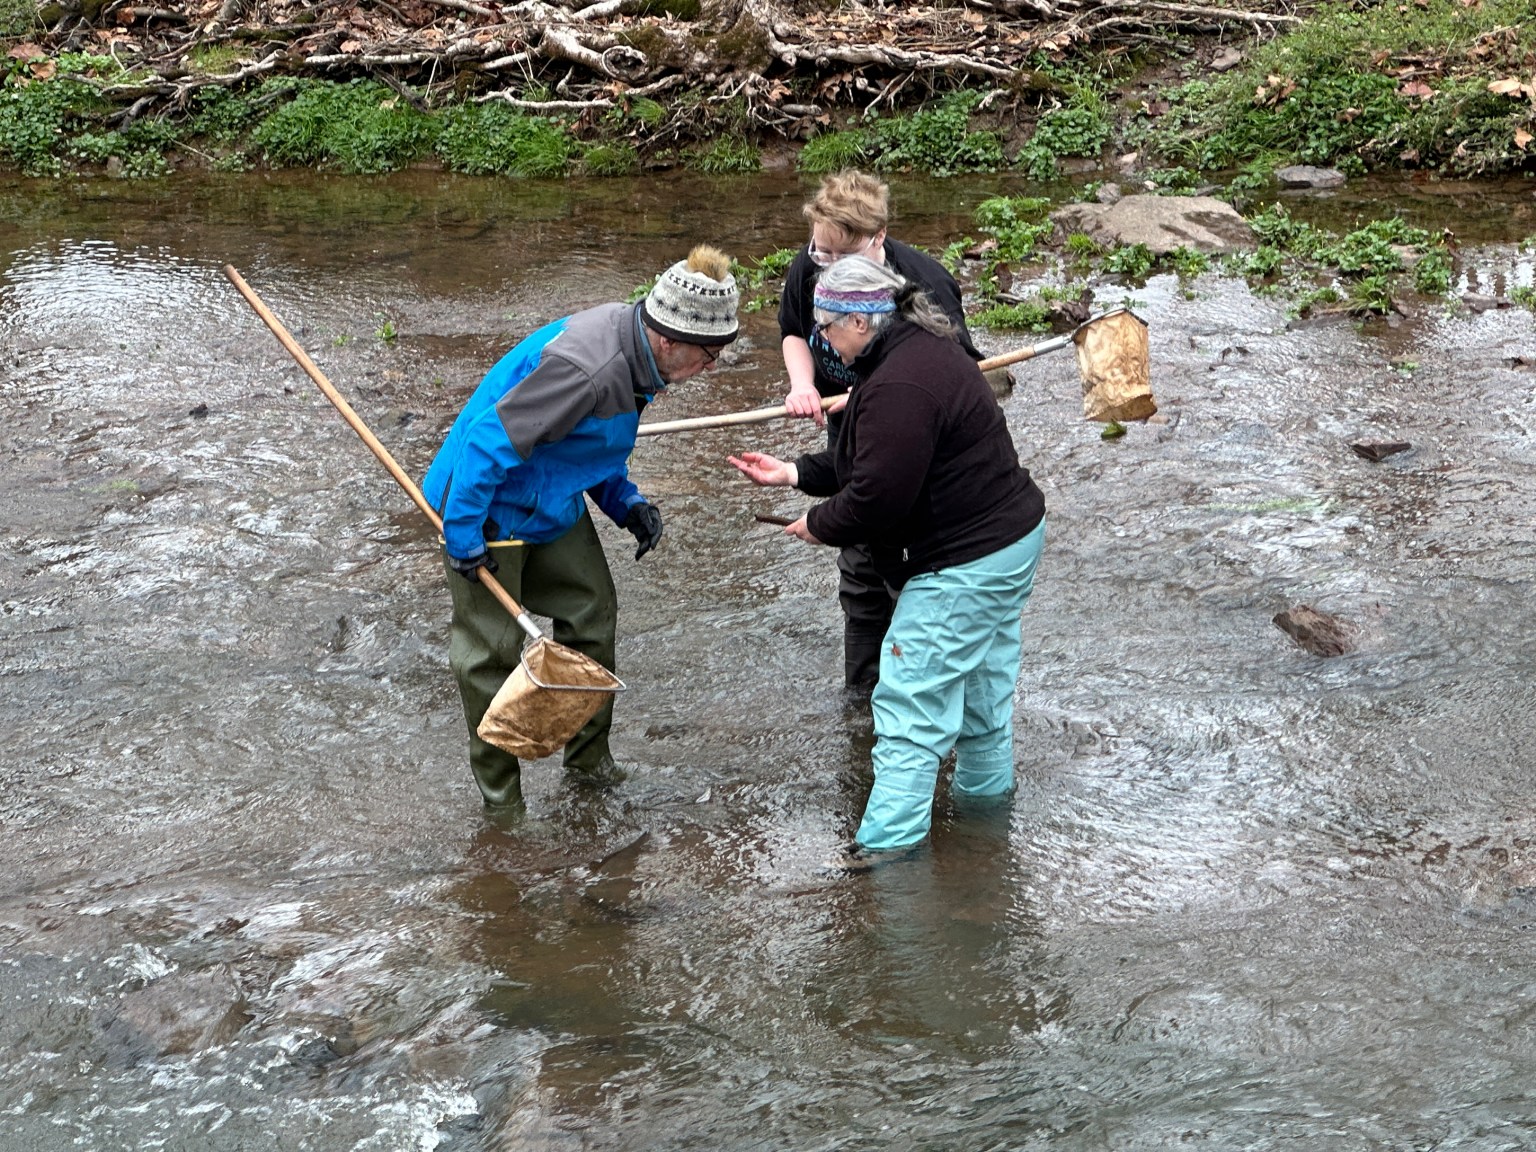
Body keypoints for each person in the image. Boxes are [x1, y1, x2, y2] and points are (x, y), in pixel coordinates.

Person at [731, 255, 1045, 864]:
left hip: (964, 561)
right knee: (982, 696)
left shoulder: (900, 382)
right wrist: (793, 473)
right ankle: (984, 832)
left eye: (826, 325)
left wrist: (818, 526)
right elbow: (868, 460)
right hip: (1009, 540)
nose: (819, 336)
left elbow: (877, 498)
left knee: (908, 709)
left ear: (861, 321)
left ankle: (886, 858)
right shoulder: (915, 349)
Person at [424, 245, 739, 809]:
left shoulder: (642, 355)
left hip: (553, 500)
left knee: (592, 615)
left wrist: (626, 504)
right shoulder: (585, 369)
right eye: (708, 354)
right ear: (669, 338)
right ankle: (503, 804)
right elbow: (485, 446)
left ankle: (590, 766)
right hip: (488, 504)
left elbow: (588, 448)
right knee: (489, 656)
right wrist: (465, 534)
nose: (711, 366)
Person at [778, 169, 991, 691]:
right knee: (860, 573)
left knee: (909, 568)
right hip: (849, 434)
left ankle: (923, 693)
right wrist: (804, 385)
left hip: (919, 450)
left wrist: (885, 393)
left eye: (837, 257)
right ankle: (863, 700)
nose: (821, 264)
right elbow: (791, 331)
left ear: (876, 240)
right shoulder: (810, 264)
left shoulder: (927, 282)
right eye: (818, 251)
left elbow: (953, 381)